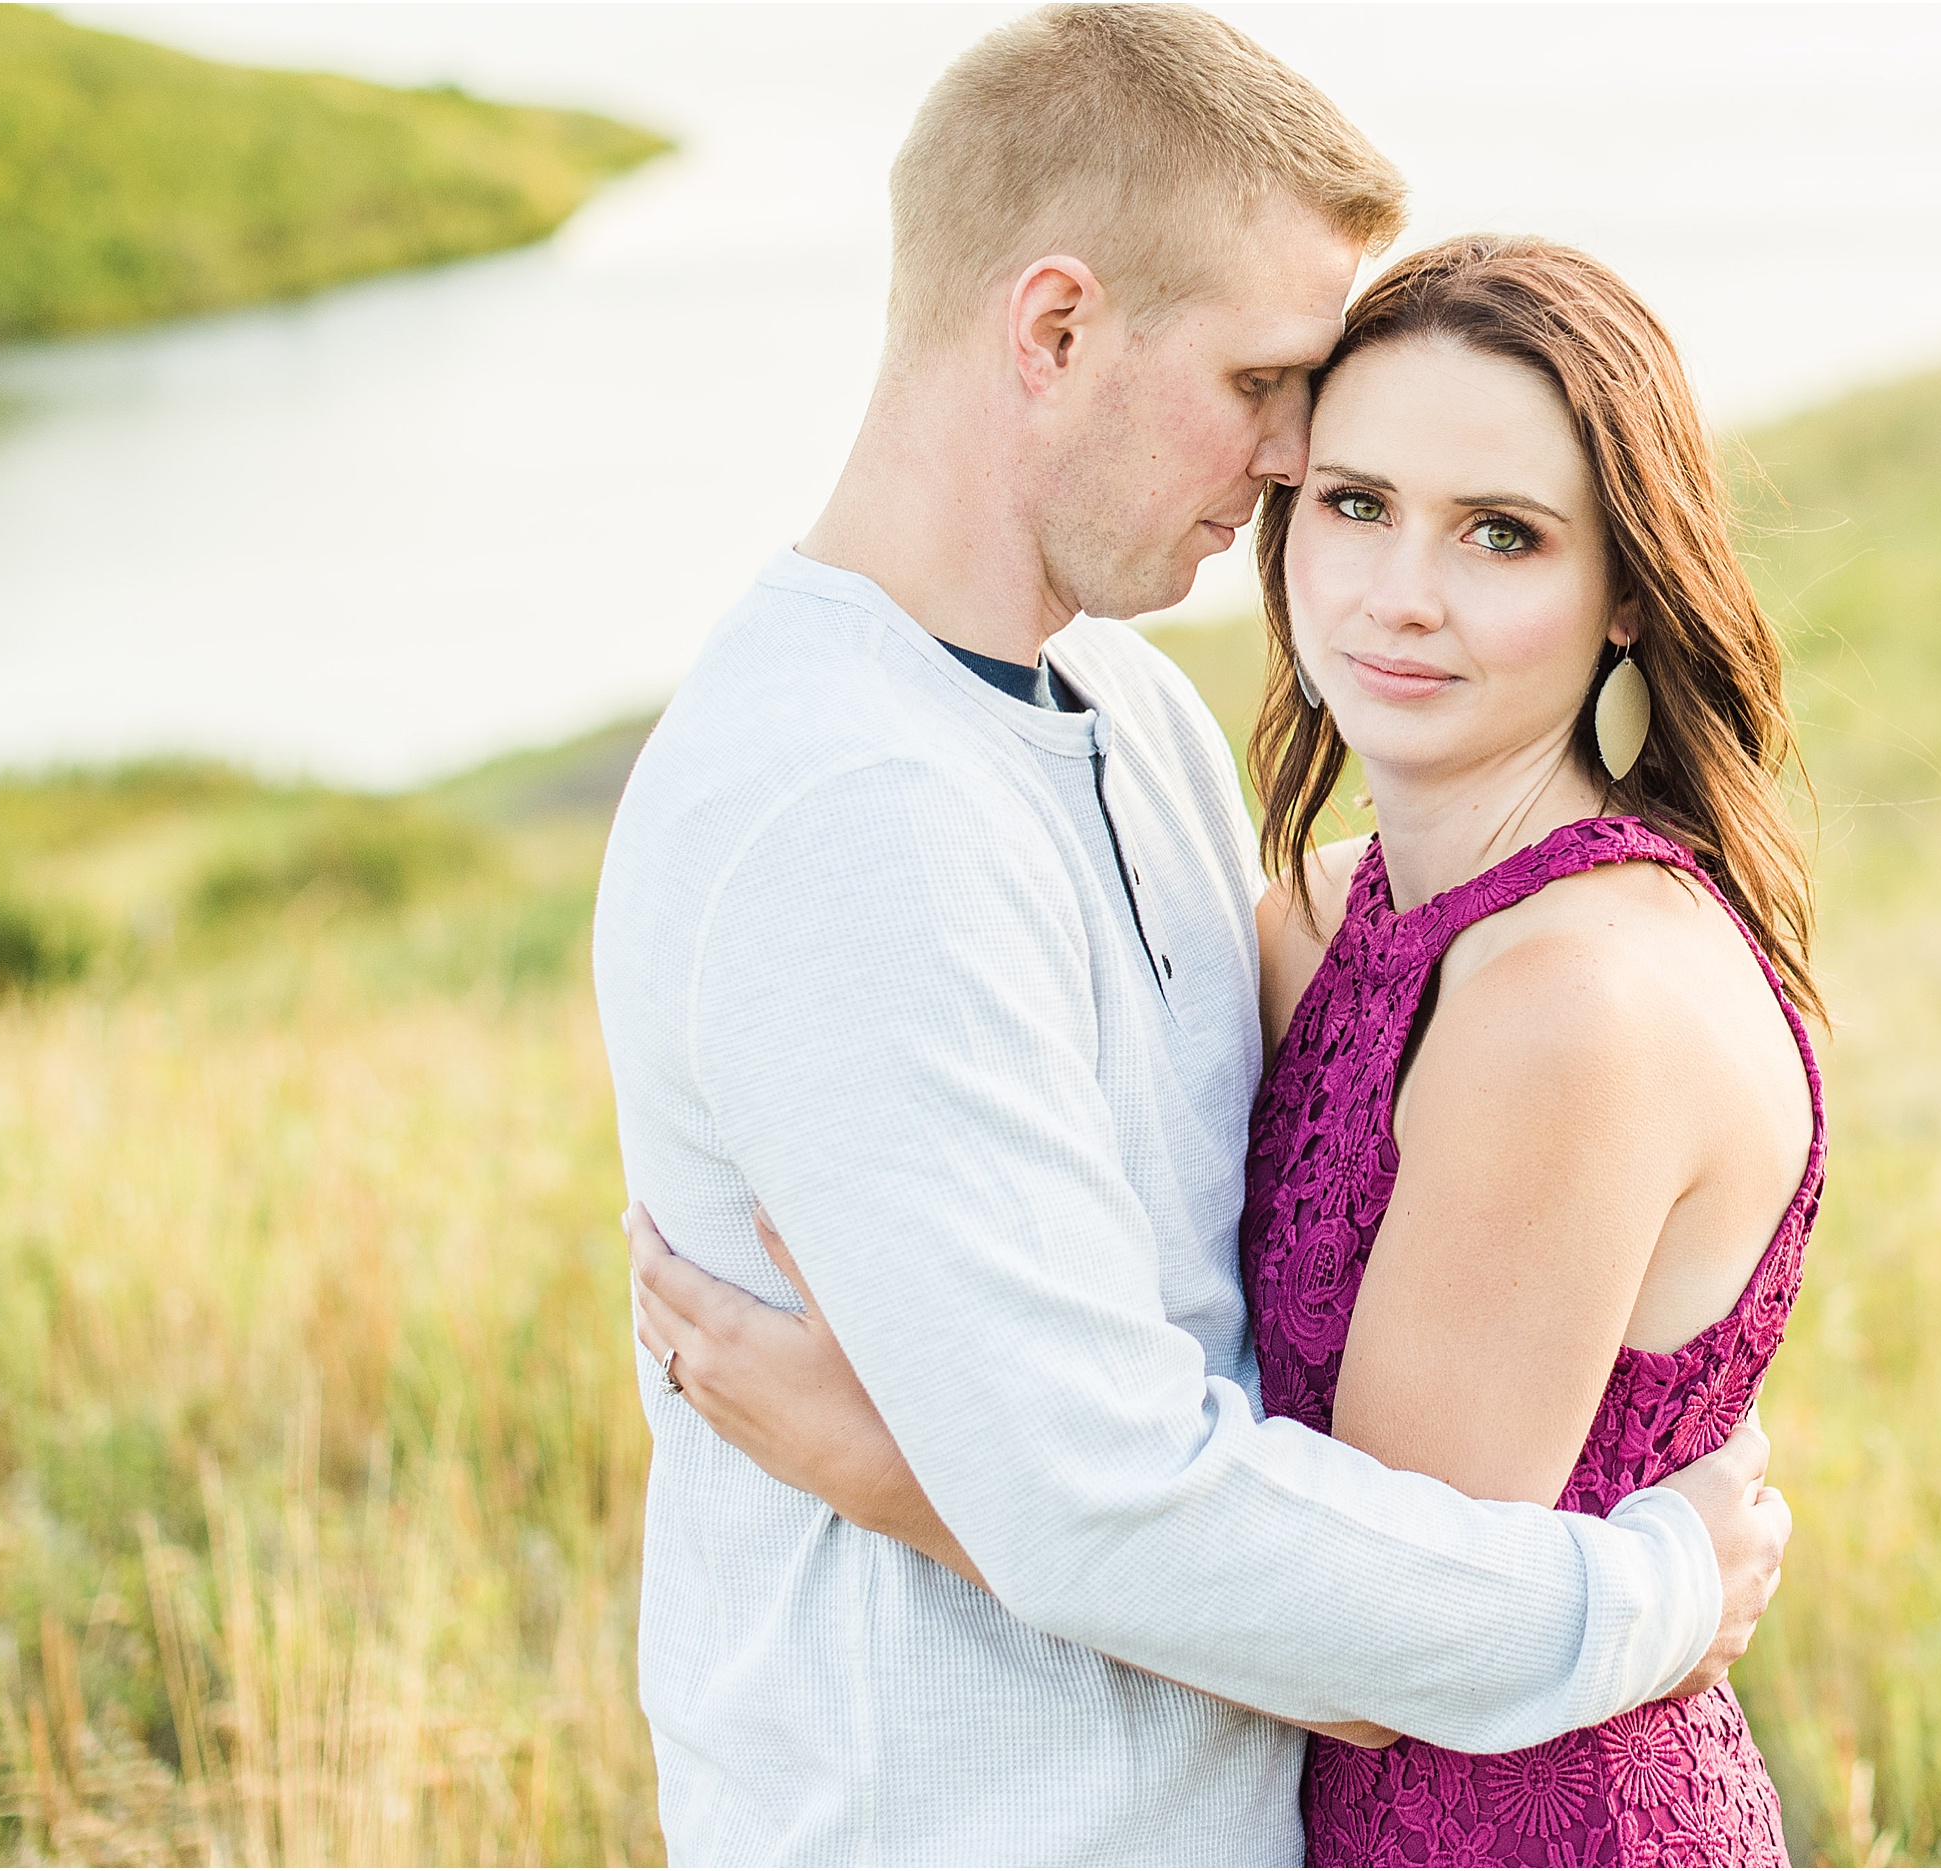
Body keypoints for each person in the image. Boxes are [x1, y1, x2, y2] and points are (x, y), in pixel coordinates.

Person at [593, 10, 1792, 1866]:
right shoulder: (841, 805)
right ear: (1055, 330)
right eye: (1261, 382)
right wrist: (1632, 1598)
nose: (1296, 452)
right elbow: (1103, 1502)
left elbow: (1193, 1402)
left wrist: (925, 1464)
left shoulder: (1138, 723)